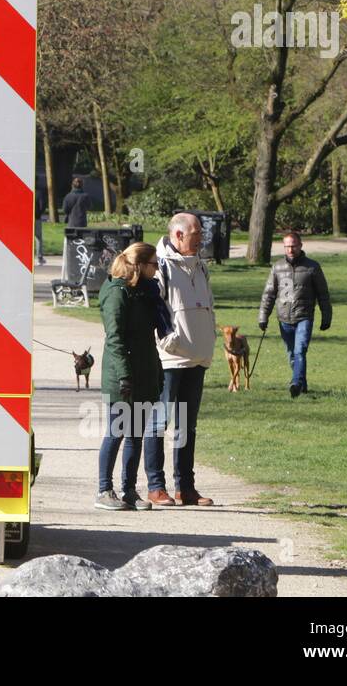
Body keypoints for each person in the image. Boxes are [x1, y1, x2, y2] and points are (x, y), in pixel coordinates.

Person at [144, 212, 217, 506]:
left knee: (188, 426)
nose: (201, 239)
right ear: (178, 235)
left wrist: (208, 338)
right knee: (159, 422)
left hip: (198, 357)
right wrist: (168, 340)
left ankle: (185, 487)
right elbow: (154, 306)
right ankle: (155, 486)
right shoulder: (160, 265)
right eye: (196, 234)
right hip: (170, 360)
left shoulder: (200, 265)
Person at [95, 242, 165, 511]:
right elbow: (115, 339)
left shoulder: (144, 293)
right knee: (116, 433)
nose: (157, 269)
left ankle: (129, 490)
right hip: (121, 378)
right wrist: (125, 376)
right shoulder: (116, 293)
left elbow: (148, 339)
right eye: (154, 264)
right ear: (140, 265)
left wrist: (156, 372)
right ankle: (103, 489)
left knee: (136, 434)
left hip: (145, 374)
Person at [259, 232, 332, 398]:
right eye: (287, 246)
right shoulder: (277, 267)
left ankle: (296, 383)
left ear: (301, 245)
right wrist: (263, 316)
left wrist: (326, 316)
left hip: (304, 317)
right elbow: (269, 293)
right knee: (292, 354)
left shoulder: (312, 267)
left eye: (293, 245)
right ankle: (302, 385)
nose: (290, 249)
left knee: (300, 351)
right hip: (284, 318)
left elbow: (323, 294)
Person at [34, 184, 48, 266]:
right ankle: (39, 257)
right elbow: (42, 205)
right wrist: (39, 213)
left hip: (24, 217)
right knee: (38, 238)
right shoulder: (39, 193)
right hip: (36, 218)